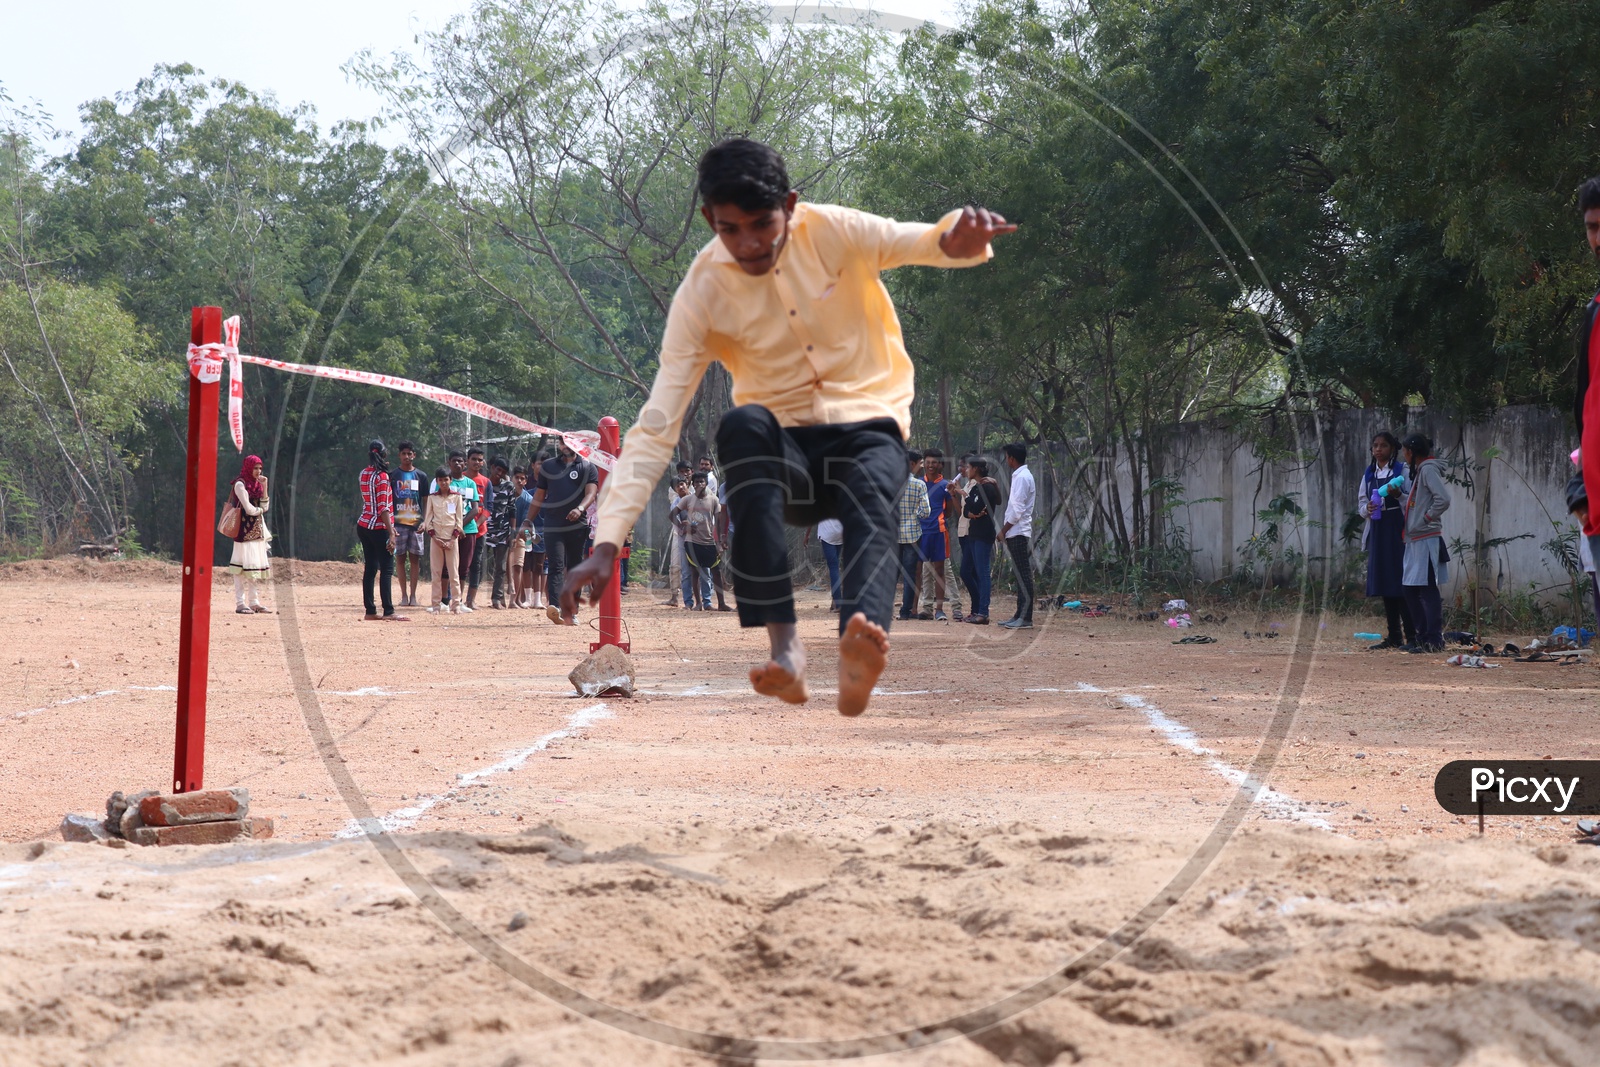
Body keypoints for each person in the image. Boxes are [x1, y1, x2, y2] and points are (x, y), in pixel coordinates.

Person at [559, 137, 1012, 716]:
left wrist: (957, 242)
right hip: (784, 452)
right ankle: (786, 649)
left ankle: (862, 638)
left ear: (791, 206)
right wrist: (606, 541)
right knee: (739, 426)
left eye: (762, 225)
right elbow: (656, 425)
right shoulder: (704, 290)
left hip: (867, 422)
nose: (749, 244)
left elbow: (921, 239)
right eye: (730, 229)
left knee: (870, 482)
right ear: (708, 219)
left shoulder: (836, 231)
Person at [1358, 431, 1416, 650]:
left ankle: (1412, 635)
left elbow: (1412, 501)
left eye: (1383, 445)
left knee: (1401, 583)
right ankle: (1394, 636)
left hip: (1398, 531)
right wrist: (1367, 509)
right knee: (1384, 583)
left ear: (1393, 448)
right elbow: (1361, 503)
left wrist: (1397, 496)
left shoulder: (1403, 471)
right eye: (1375, 446)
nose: (1378, 449)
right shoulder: (1369, 473)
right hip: (1378, 530)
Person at [529, 439, 599, 625]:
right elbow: (539, 495)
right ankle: (556, 607)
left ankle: (572, 611)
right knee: (556, 566)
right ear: (559, 445)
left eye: (569, 443)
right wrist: (528, 520)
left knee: (575, 568)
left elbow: (591, 493)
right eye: (562, 443)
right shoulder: (549, 466)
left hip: (578, 526)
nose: (565, 446)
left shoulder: (587, 466)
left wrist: (580, 509)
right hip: (553, 525)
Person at [1571, 177, 1600, 583]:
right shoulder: (1595, 310)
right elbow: (1586, 410)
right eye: (1593, 228)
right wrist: (1579, 488)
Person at [1399, 433, 1451, 653]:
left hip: (1426, 538)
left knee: (1427, 589)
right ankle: (1421, 636)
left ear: (1411, 452)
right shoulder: (1420, 471)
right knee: (1410, 589)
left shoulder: (1428, 469)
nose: (1403, 455)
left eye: (1404, 451)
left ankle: (1434, 639)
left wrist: (1427, 518)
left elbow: (1443, 499)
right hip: (1415, 538)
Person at [357, 439, 408, 621]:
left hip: (363, 524)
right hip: (379, 527)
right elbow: (384, 509)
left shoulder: (364, 473)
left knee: (370, 568)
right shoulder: (382, 477)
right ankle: (388, 611)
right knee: (386, 569)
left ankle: (370, 610)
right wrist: (391, 533)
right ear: (384, 455)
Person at [998, 442, 1036, 629]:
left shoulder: (1022, 478)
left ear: (1011, 458)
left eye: (1007, 456)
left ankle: (1026, 616)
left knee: (1024, 574)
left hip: (1017, 530)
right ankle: (1019, 614)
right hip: (1016, 530)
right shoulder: (1021, 476)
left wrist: (1003, 530)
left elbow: (1017, 510)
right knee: (1021, 574)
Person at [227, 454, 272, 613]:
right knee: (240, 568)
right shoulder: (241, 484)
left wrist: (265, 486)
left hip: (256, 531)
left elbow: (265, 506)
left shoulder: (256, 485)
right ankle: (240, 603)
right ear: (248, 467)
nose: (258, 471)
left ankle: (254, 601)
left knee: (253, 567)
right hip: (243, 531)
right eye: (255, 468)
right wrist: (259, 510)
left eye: (260, 468)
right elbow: (249, 509)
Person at [961, 456, 1003, 624]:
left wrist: (964, 494)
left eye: (969, 467)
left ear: (976, 469)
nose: (966, 470)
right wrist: (971, 508)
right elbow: (967, 511)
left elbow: (977, 506)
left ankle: (983, 612)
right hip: (973, 533)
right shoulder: (977, 487)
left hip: (984, 534)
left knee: (982, 572)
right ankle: (977, 608)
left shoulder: (986, 486)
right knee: (965, 571)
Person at [673, 471, 723, 610]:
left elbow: (718, 522)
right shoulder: (687, 500)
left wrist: (719, 542)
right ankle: (698, 603)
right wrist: (682, 526)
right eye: (696, 482)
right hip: (692, 541)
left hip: (709, 541)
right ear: (693, 484)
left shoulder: (713, 500)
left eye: (702, 481)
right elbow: (672, 515)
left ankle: (718, 603)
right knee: (695, 572)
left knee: (715, 572)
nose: (699, 484)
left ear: (706, 483)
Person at [389, 442, 429, 608]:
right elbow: (388, 500)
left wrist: (425, 521)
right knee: (400, 559)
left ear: (414, 455)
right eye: (403, 453)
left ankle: (413, 596)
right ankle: (403, 596)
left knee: (414, 559)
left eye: (409, 453)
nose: (406, 456)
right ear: (399, 455)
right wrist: (390, 524)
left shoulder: (421, 476)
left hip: (416, 524)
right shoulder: (392, 475)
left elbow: (426, 500)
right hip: (398, 524)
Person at [916, 447, 953, 620]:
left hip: (938, 532)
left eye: (934, 463)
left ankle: (939, 609)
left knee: (939, 570)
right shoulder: (918, 484)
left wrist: (952, 497)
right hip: (919, 533)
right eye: (928, 462)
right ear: (924, 464)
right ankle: (915, 609)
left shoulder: (946, 486)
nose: (931, 466)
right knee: (917, 570)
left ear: (940, 465)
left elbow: (949, 513)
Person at [422, 467, 466, 613]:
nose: (443, 483)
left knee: (454, 573)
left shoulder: (457, 497)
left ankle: (456, 604)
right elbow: (428, 521)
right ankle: (436, 605)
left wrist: (453, 539)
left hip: (451, 539)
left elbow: (459, 521)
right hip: (436, 539)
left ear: (450, 480)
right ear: (437, 481)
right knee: (436, 573)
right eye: (440, 480)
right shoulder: (432, 497)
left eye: (446, 479)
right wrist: (435, 538)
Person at [897, 450, 932, 621]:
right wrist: (914, 514)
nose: (922, 467)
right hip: (912, 534)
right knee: (909, 574)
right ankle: (905, 612)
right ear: (912, 464)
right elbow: (926, 512)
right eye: (920, 464)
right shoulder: (919, 485)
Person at [447, 450, 478, 611]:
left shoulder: (470, 483)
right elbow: (442, 507)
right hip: (448, 530)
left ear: (464, 463)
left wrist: (460, 527)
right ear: (449, 463)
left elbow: (474, 509)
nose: (457, 464)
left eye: (460, 461)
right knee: (448, 566)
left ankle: (458, 601)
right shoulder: (446, 483)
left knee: (464, 567)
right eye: (454, 461)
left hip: (469, 529)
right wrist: (455, 528)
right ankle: (445, 601)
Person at [485, 457, 518, 608]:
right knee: (476, 563)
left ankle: (497, 598)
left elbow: (512, 509)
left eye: (503, 472)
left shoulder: (508, 487)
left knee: (501, 567)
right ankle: (469, 599)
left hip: (503, 530)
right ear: (492, 467)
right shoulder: (484, 484)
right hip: (484, 529)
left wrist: (512, 531)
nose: (499, 474)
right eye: (498, 470)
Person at [464, 448, 494, 609]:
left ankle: (471, 600)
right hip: (461, 529)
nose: (477, 462)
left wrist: (477, 523)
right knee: (459, 564)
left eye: (480, 460)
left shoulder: (486, 482)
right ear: (467, 460)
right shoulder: (460, 479)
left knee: (476, 564)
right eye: (474, 459)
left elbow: (489, 507)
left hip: (479, 530)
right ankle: (454, 597)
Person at [664, 464, 693, 606]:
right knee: (676, 565)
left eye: (687, 471)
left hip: (699, 533)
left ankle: (703, 598)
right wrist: (682, 526)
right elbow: (673, 514)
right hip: (679, 533)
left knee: (699, 566)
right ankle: (675, 596)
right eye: (678, 485)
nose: (680, 487)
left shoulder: (698, 491)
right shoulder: (675, 497)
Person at [806, 518, 844, 611]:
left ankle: (838, 603)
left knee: (833, 567)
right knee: (835, 564)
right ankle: (835, 601)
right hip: (840, 533)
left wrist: (807, 535)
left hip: (828, 535)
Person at [510, 466, 534, 607]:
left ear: (526, 481)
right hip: (504, 535)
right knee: (503, 568)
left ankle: (514, 599)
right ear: (512, 478)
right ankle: (500, 599)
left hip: (521, 536)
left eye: (522, 478)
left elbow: (526, 520)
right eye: (517, 477)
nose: (519, 480)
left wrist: (517, 536)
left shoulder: (528, 499)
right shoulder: (506, 494)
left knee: (518, 566)